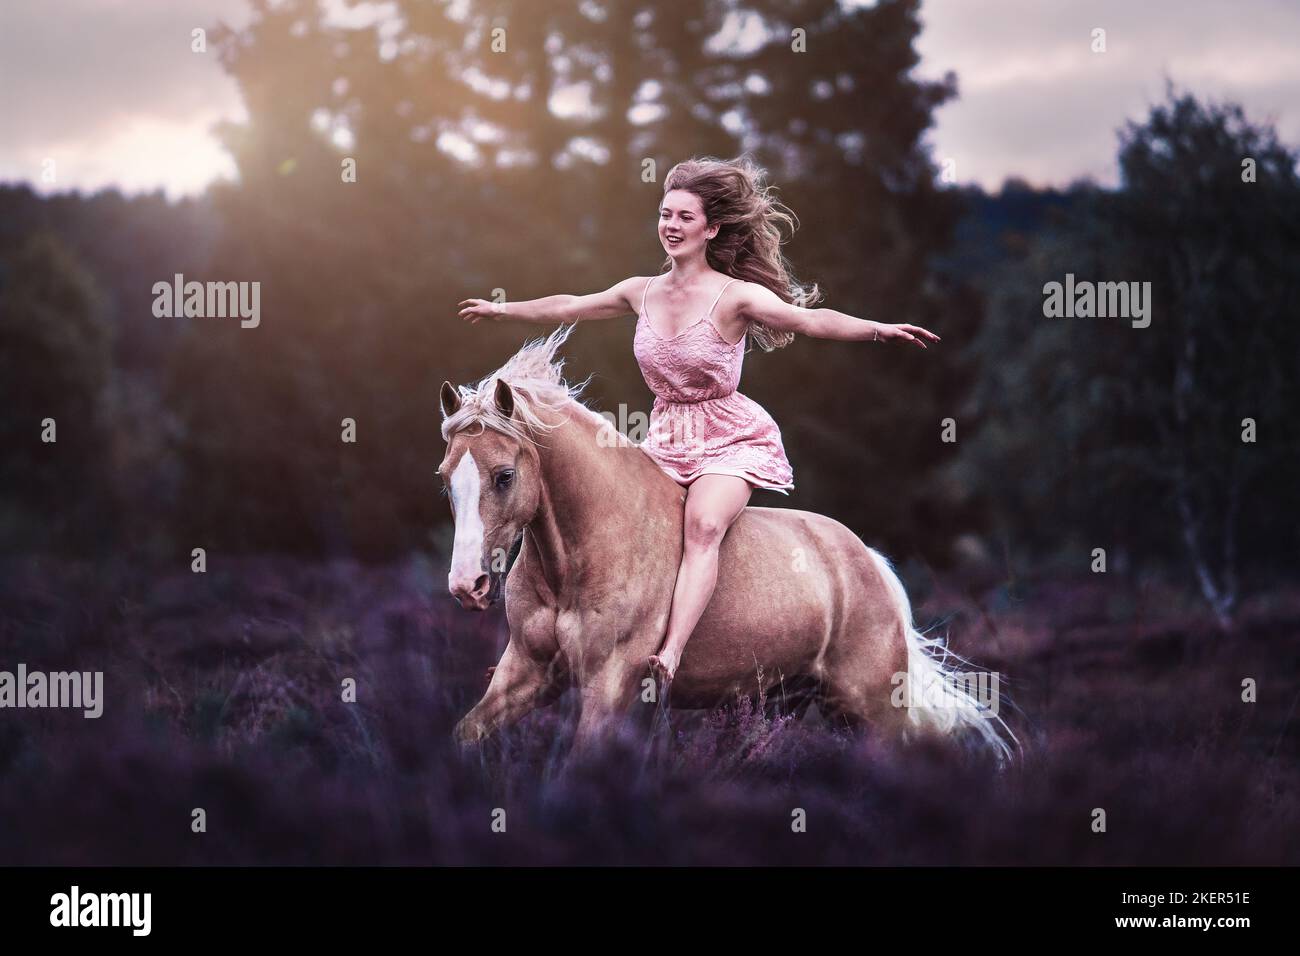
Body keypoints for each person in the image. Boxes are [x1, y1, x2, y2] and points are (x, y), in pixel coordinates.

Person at [458, 155, 939, 688]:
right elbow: (572, 303)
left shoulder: (737, 297)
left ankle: (672, 652)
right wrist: (505, 311)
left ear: (711, 229)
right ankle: (540, 651)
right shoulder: (639, 291)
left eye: (685, 217)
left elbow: (808, 319)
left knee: (704, 526)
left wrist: (877, 330)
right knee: (610, 521)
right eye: (665, 215)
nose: (671, 226)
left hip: (729, 438)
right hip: (664, 436)